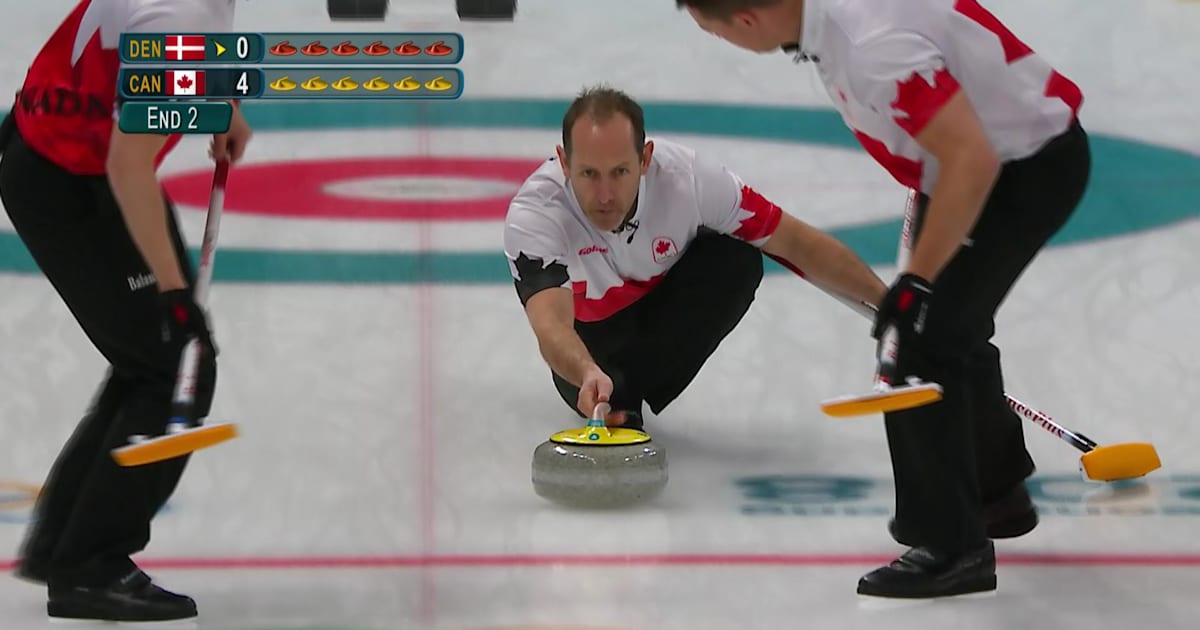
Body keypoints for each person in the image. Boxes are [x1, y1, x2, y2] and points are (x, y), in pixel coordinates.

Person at [676, 0, 1091, 599]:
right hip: (980, 159)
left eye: (712, 29)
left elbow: (971, 159)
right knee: (952, 328)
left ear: (746, 20)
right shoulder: (836, 24)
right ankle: (996, 494)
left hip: (1015, 170)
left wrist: (917, 280)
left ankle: (951, 546)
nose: (720, 40)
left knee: (920, 344)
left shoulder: (872, 48)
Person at [0, 0, 251, 621]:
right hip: (77, 181)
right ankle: (90, 567)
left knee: (150, 360)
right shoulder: (179, 18)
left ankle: (64, 544)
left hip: (58, 154)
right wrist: (173, 298)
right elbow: (128, 162)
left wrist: (217, 102)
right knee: (174, 367)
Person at [503, 85, 886, 433]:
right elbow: (551, 325)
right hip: (589, 337)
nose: (605, 195)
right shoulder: (536, 214)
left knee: (737, 256)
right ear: (564, 163)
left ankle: (627, 388)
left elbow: (796, 243)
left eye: (620, 172)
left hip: (663, 306)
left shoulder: (689, 180)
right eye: (589, 173)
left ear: (645, 158)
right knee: (597, 379)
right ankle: (613, 393)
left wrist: (891, 305)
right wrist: (585, 370)